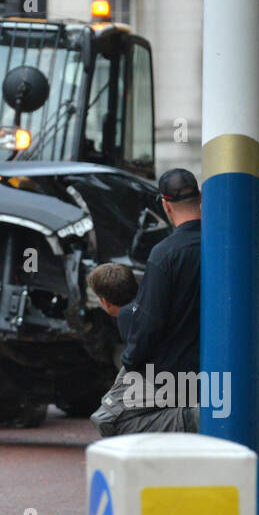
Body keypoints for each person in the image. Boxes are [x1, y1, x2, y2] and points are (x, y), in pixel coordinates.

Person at [90, 168, 202, 437]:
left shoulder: (165, 254)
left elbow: (149, 324)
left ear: (164, 204)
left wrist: (130, 361)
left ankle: (195, 418)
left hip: (173, 375)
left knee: (109, 418)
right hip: (216, 368)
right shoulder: (223, 244)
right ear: (199, 196)